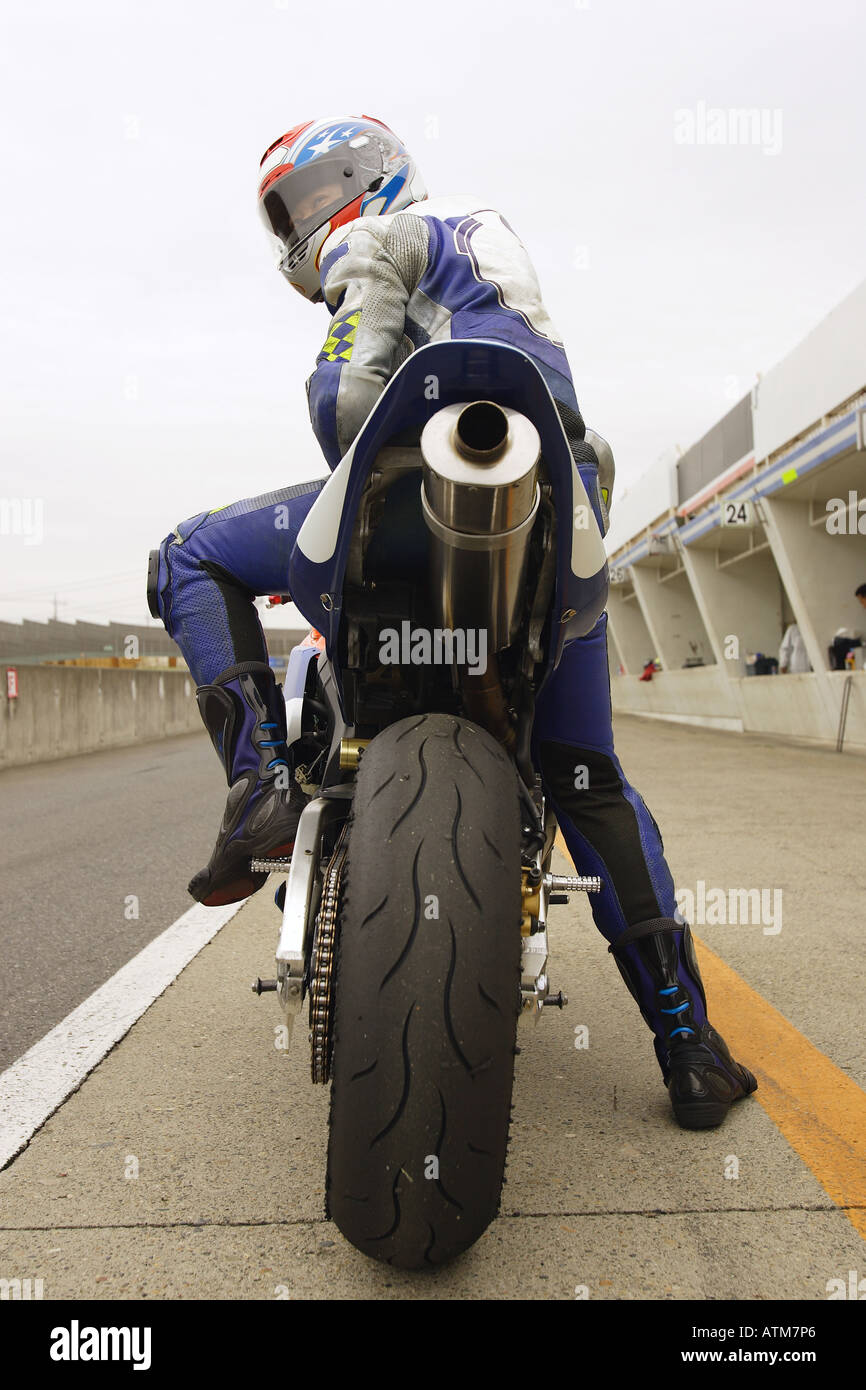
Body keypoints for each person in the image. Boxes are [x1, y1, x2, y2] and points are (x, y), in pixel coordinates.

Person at [148, 116, 756, 1129]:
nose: (310, 224)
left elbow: (343, 403)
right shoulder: (493, 249)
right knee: (587, 778)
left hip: (408, 507)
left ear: (366, 178)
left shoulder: (383, 241)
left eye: (315, 195)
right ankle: (686, 1042)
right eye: (292, 213)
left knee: (189, 552)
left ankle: (258, 783)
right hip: (557, 520)